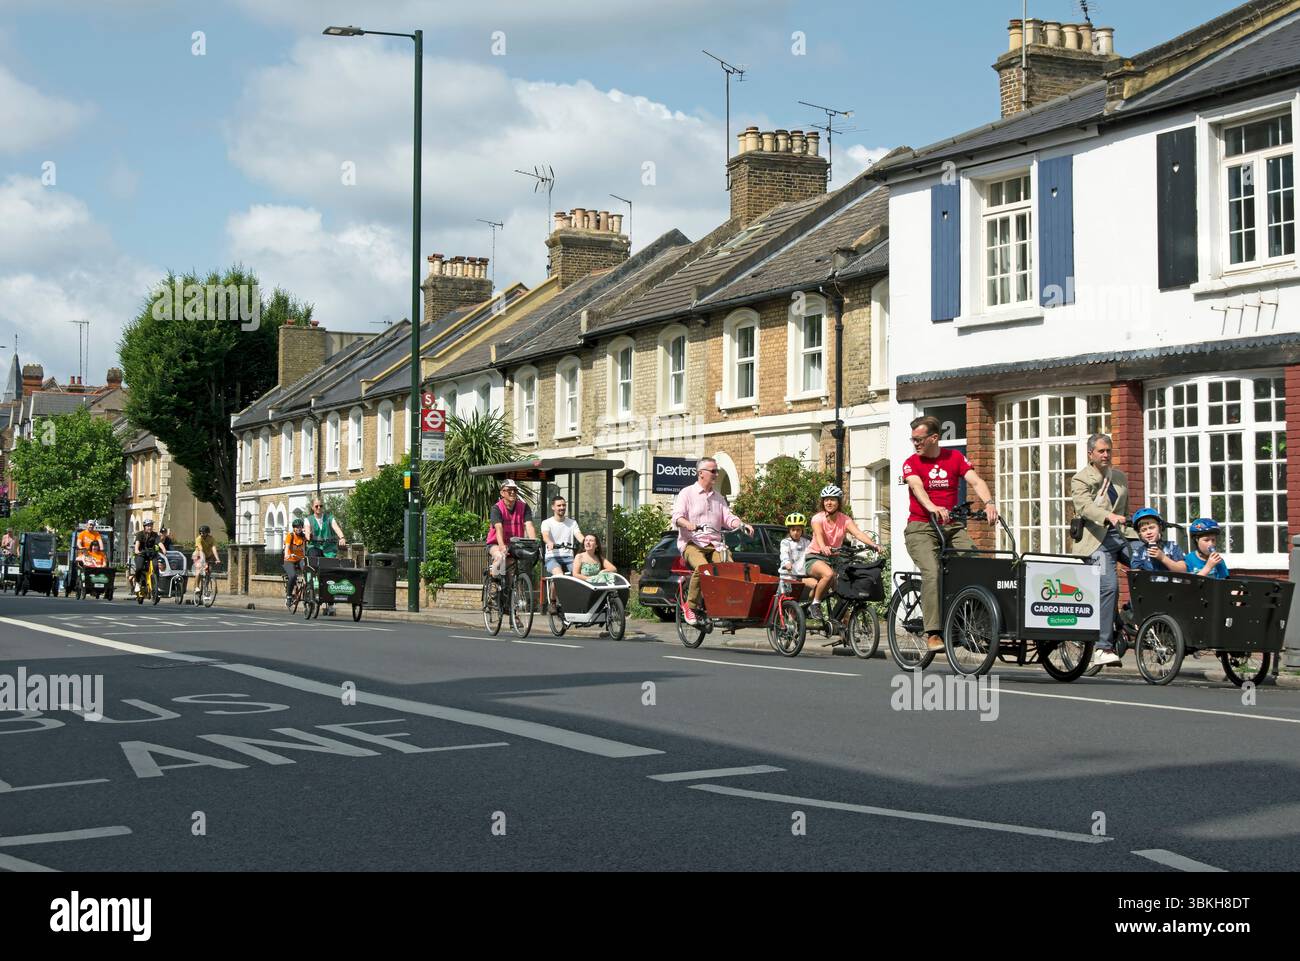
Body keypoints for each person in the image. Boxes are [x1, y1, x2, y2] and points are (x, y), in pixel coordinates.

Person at [903, 416, 999, 653]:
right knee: (932, 571)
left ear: (934, 438)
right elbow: (917, 487)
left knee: (976, 565)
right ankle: (933, 633)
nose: (915, 443)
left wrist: (989, 503)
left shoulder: (955, 458)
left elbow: (975, 481)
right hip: (921, 526)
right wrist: (932, 507)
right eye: (913, 439)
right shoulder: (911, 462)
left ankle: (976, 624)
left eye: (919, 439)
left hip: (951, 525)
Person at [1070, 433, 1137, 667]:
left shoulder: (1119, 477)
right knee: (1109, 586)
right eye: (1101, 451)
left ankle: (1138, 619)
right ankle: (1102, 647)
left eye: (1108, 450)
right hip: (1094, 541)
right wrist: (1107, 515)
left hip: (1121, 536)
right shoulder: (1081, 479)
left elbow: (1125, 511)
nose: (1106, 454)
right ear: (1091, 454)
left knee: (1149, 564)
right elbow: (1084, 507)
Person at [670, 457, 754, 625]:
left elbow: (728, 518)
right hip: (692, 542)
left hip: (715, 544)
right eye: (713, 471)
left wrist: (742, 525)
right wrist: (689, 524)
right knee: (703, 569)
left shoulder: (718, 497)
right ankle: (690, 606)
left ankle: (725, 607)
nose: (716, 474)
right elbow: (677, 517)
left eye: (717, 471)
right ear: (701, 473)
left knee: (730, 569)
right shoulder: (687, 493)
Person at [806, 485, 882, 620]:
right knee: (828, 574)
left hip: (834, 558)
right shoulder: (817, 518)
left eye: (833, 500)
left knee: (842, 591)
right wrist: (823, 546)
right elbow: (819, 534)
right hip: (815, 556)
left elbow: (858, 533)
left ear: (839, 502)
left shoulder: (845, 519)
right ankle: (815, 605)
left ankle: (843, 626)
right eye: (826, 500)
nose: (829, 503)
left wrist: (873, 544)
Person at [487, 479, 536, 580]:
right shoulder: (496, 508)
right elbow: (498, 527)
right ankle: (493, 582)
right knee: (500, 557)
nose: (513, 492)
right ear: (502, 493)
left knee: (513, 572)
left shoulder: (524, 507)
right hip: (495, 543)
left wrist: (533, 543)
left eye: (515, 490)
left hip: (515, 544)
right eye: (509, 490)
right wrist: (501, 546)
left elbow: (529, 525)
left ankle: (514, 591)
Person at [306, 500, 348, 615]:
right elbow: (307, 529)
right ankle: (313, 589)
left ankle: (330, 603)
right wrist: (308, 535)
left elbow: (336, 527)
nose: (319, 508)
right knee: (314, 564)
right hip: (314, 546)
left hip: (329, 548)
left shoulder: (329, 518)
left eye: (321, 506)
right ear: (312, 507)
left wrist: (342, 537)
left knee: (331, 572)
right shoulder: (308, 519)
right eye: (316, 506)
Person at [1124, 508, 1186, 574]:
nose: (1148, 532)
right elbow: (1136, 575)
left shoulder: (1172, 546)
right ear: (1140, 534)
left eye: (1151, 527)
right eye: (1144, 530)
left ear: (1160, 527)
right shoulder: (1138, 552)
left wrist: (1163, 557)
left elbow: (1183, 570)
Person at [779, 513, 819, 598]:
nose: (795, 532)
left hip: (801, 576)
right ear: (789, 530)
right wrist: (787, 562)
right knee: (815, 585)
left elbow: (812, 553)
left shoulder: (806, 542)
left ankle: (811, 606)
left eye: (798, 530)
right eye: (793, 530)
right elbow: (784, 553)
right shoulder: (785, 542)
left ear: (802, 530)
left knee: (819, 586)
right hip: (788, 576)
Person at [541, 496, 582, 576]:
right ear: (553, 507)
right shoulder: (546, 522)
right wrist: (550, 543)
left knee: (578, 575)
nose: (562, 507)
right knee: (559, 575)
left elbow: (579, 536)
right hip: (552, 557)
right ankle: (553, 588)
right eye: (559, 505)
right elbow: (545, 536)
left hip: (569, 557)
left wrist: (587, 542)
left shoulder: (572, 523)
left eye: (564, 505)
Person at [283, 518, 308, 606]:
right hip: (289, 560)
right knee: (293, 576)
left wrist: (305, 557)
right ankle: (289, 596)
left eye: (300, 527)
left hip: (299, 559)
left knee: (308, 573)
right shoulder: (290, 536)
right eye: (296, 527)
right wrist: (287, 554)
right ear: (294, 528)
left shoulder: (303, 537)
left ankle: (308, 593)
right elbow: (287, 546)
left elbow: (304, 548)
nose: (298, 529)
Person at [132, 518, 161, 594]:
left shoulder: (155, 535)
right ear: (144, 526)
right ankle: (137, 583)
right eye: (148, 526)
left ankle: (156, 586)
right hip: (141, 554)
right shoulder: (140, 534)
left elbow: (159, 543)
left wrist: (164, 550)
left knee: (156, 567)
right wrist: (136, 550)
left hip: (151, 555)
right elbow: (137, 543)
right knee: (139, 567)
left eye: (151, 525)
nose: (150, 527)